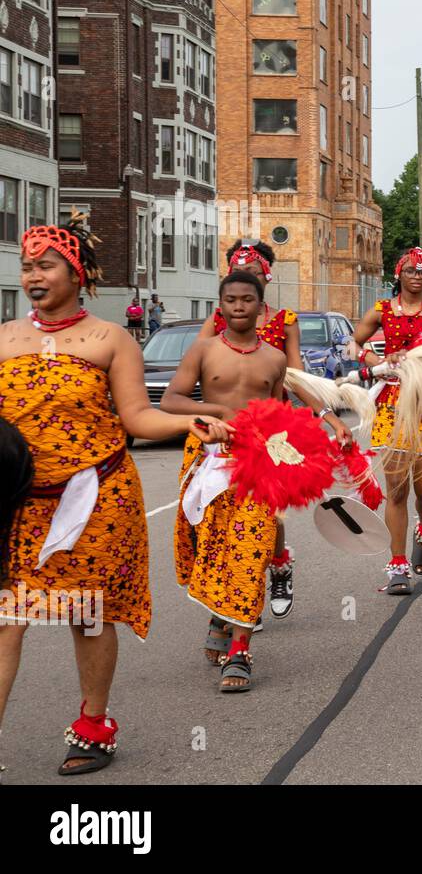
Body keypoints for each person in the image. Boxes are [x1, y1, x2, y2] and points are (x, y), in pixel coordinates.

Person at [0, 215, 227, 775]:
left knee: (86, 615)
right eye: (27, 266)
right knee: (8, 617)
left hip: (95, 499)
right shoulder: (4, 338)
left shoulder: (109, 339)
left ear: (77, 274)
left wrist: (190, 421)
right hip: (20, 504)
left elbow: (138, 417)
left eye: (46, 265)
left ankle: (93, 725)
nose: (34, 275)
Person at [193, 241, 352, 619]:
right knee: (218, 517)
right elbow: (194, 366)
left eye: (252, 273)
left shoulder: (285, 321)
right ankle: (231, 602)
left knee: (267, 516)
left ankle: (278, 565)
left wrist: (329, 418)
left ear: (265, 279)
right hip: (223, 435)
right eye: (237, 272)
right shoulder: (217, 321)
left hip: (271, 435)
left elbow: (297, 378)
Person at [163, 272, 288, 692]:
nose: (238, 306)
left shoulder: (274, 358)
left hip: (257, 464)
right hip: (208, 461)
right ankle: (219, 614)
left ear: (260, 307)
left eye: (247, 299)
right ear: (221, 305)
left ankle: (239, 651)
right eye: (231, 299)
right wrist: (216, 411)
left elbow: (281, 413)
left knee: (250, 552)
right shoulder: (202, 350)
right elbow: (172, 399)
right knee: (213, 549)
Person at [351, 247, 422, 593]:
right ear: (398, 275)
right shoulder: (383, 309)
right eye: (410, 270)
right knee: (397, 489)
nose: (416, 276)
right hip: (392, 404)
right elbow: (353, 343)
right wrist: (379, 361)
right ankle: (397, 565)